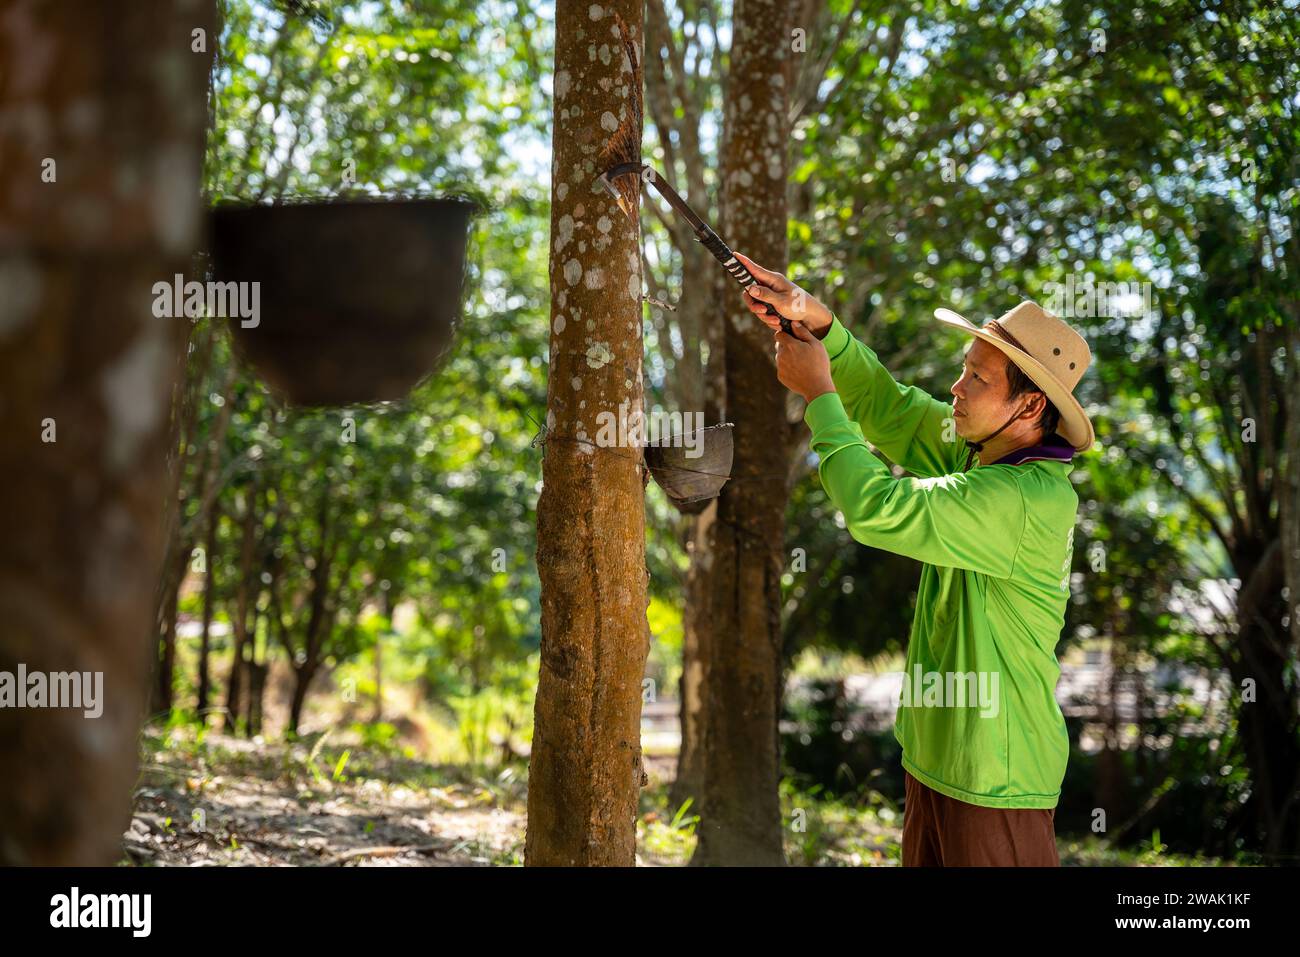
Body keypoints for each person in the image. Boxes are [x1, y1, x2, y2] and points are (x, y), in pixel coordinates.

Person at [735, 251, 1095, 867]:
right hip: (935, 762)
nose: (956, 388)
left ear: (1031, 409)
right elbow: (891, 408)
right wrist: (819, 325)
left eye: (977, 380)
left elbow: (876, 508)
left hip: (996, 780)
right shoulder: (981, 453)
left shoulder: (1022, 497)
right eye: (964, 369)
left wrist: (819, 392)